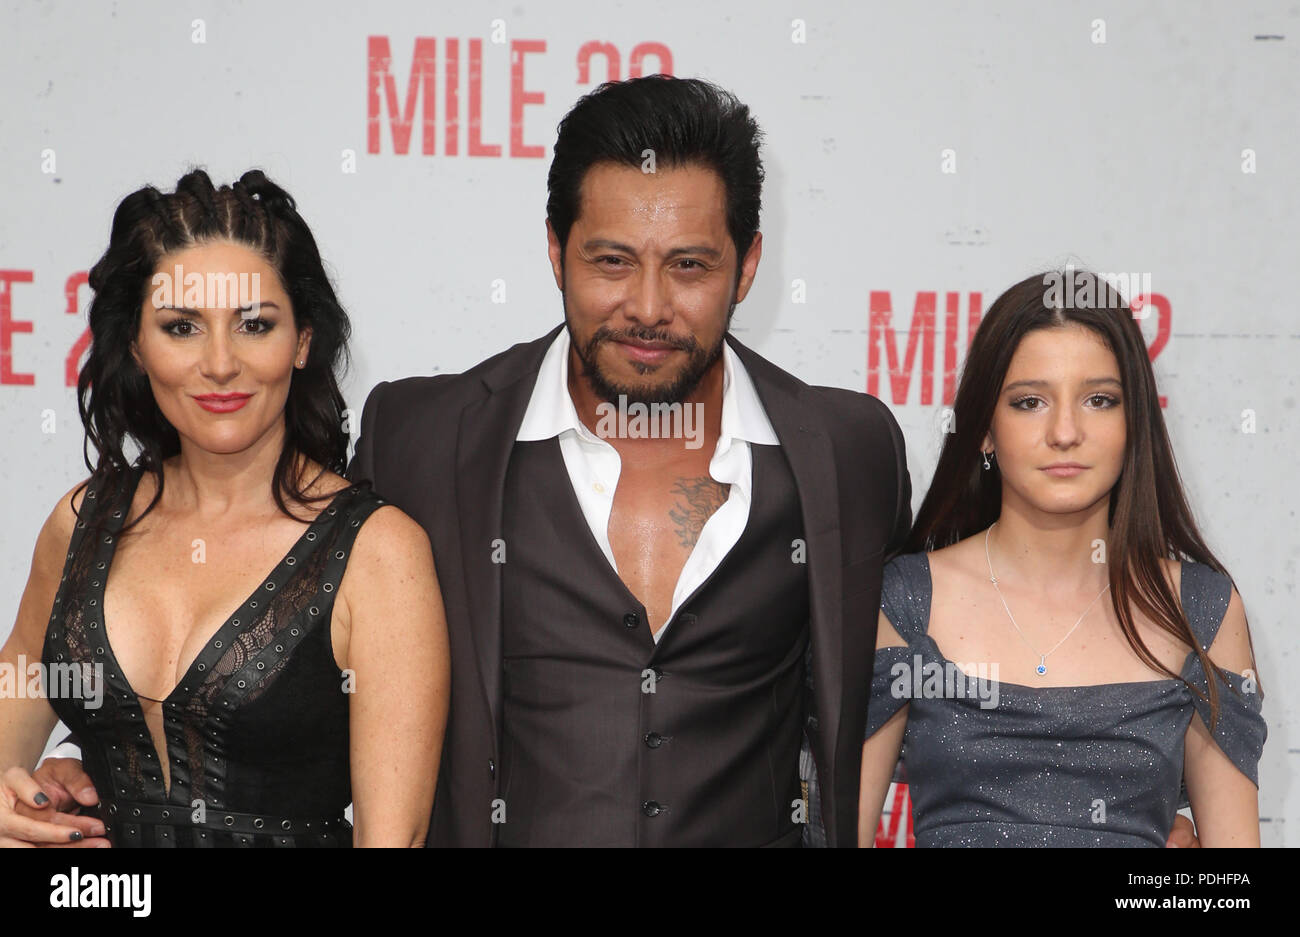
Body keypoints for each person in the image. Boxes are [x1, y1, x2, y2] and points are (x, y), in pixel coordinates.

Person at [347, 75, 911, 846]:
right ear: (555, 249)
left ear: (747, 267)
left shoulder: (850, 451)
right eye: (612, 262)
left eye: (688, 267)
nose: (647, 307)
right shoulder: (419, 437)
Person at [0, 169, 450, 847]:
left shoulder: (378, 552)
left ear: (301, 341)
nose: (219, 363)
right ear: (135, 346)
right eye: (181, 327)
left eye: (254, 325)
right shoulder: (80, 524)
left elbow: (395, 840)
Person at [840, 269, 1266, 847]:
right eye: (1029, 402)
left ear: (1133, 422)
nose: (1065, 432)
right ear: (986, 430)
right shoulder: (908, 599)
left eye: (1098, 400)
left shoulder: (1201, 611)